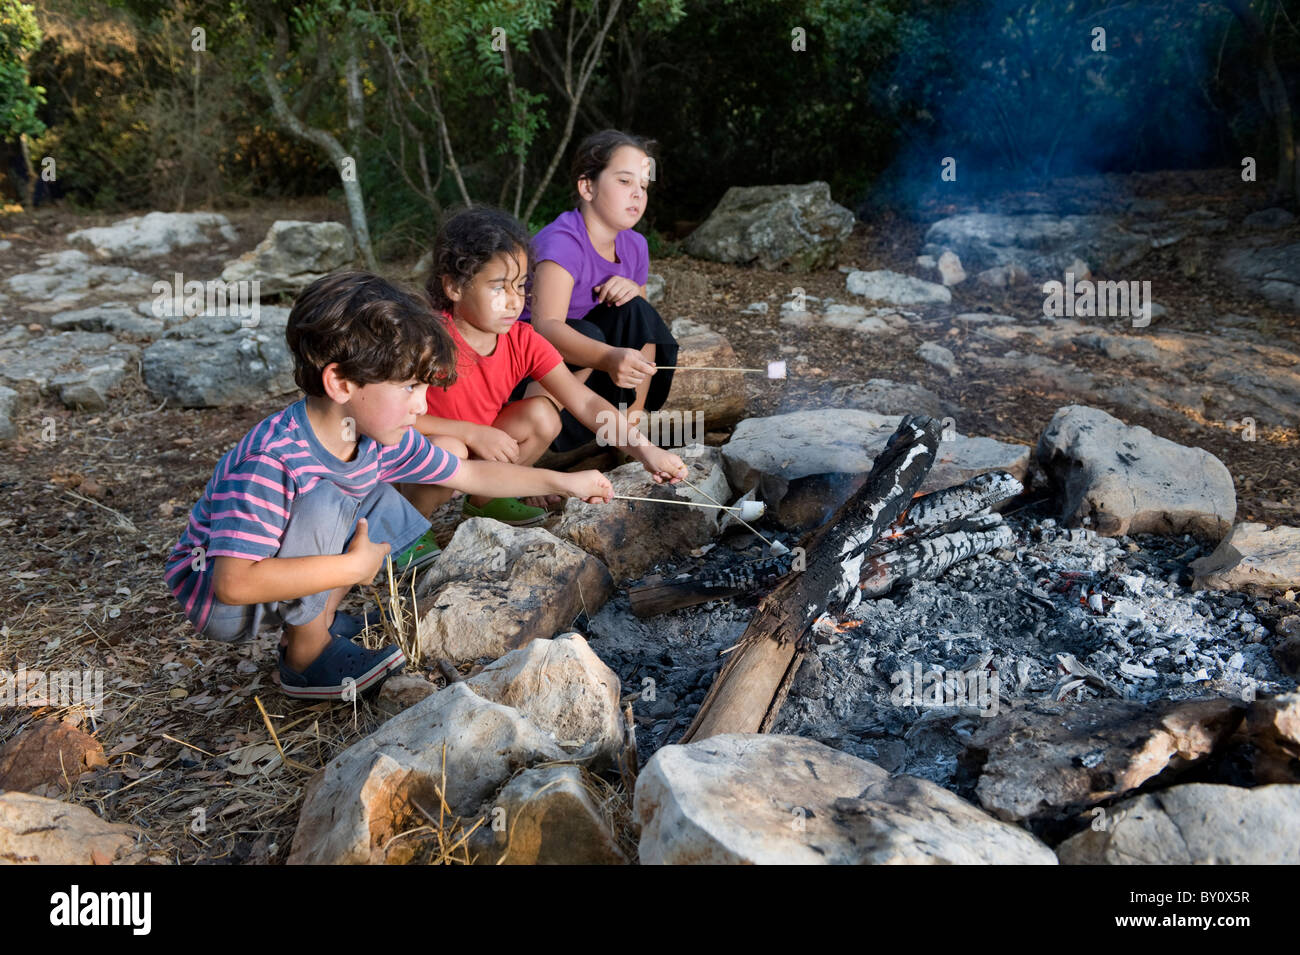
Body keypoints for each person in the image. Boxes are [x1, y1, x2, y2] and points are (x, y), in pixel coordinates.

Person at [162, 270, 612, 701]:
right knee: (327, 500)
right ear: (340, 382)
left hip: (269, 574)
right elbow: (234, 584)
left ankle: (320, 618)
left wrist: (563, 480)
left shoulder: (366, 434)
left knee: (370, 495)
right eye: (410, 387)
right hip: (224, 601)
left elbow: (469, 473)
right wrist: (352, 569)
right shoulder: (274, 461)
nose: (422, 404)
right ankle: (306, 655)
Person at [399, 205, 687, 535]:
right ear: (453, 287)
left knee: (542, 415)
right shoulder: (429, 339)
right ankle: (405, 528)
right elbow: (394, 419)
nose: (513, 301)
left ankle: (484, 498)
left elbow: (585, 402)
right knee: (451, 448)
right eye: (498, 287)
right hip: (416, 454)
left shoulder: (523, 340)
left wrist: (644, 449)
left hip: (476, 451)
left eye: (520, 286)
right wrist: (470, 433)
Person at [518, 129, 679, 452]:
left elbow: (641, 330)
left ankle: (629, 434)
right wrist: (607, 357)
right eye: (624, 181)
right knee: (585, 330)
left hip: (594, 374)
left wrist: (633, 290)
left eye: (644, 186)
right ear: (587, 186)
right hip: (527, 376)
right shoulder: (563, 242)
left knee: (636, 310)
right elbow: (545, 328)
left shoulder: (635, 245)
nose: (637, 194)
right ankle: (528, 450)